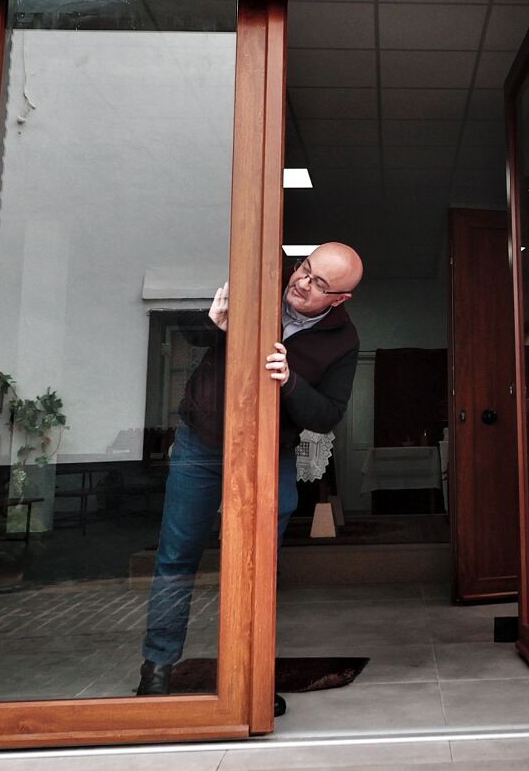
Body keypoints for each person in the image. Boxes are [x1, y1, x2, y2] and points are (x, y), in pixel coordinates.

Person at [136, 242, 364, 709]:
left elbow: (327, 414)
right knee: (177, 555)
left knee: (259, 564)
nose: (301, 283)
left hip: (268, 452)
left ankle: (251, 673)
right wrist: (213, 324)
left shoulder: (344, 341)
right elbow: (194, 341)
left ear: (339, 299)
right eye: (305, 269)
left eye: (320, 284)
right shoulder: (263, 283)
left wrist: (291, 382)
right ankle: (156, 670)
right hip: (202, 439)